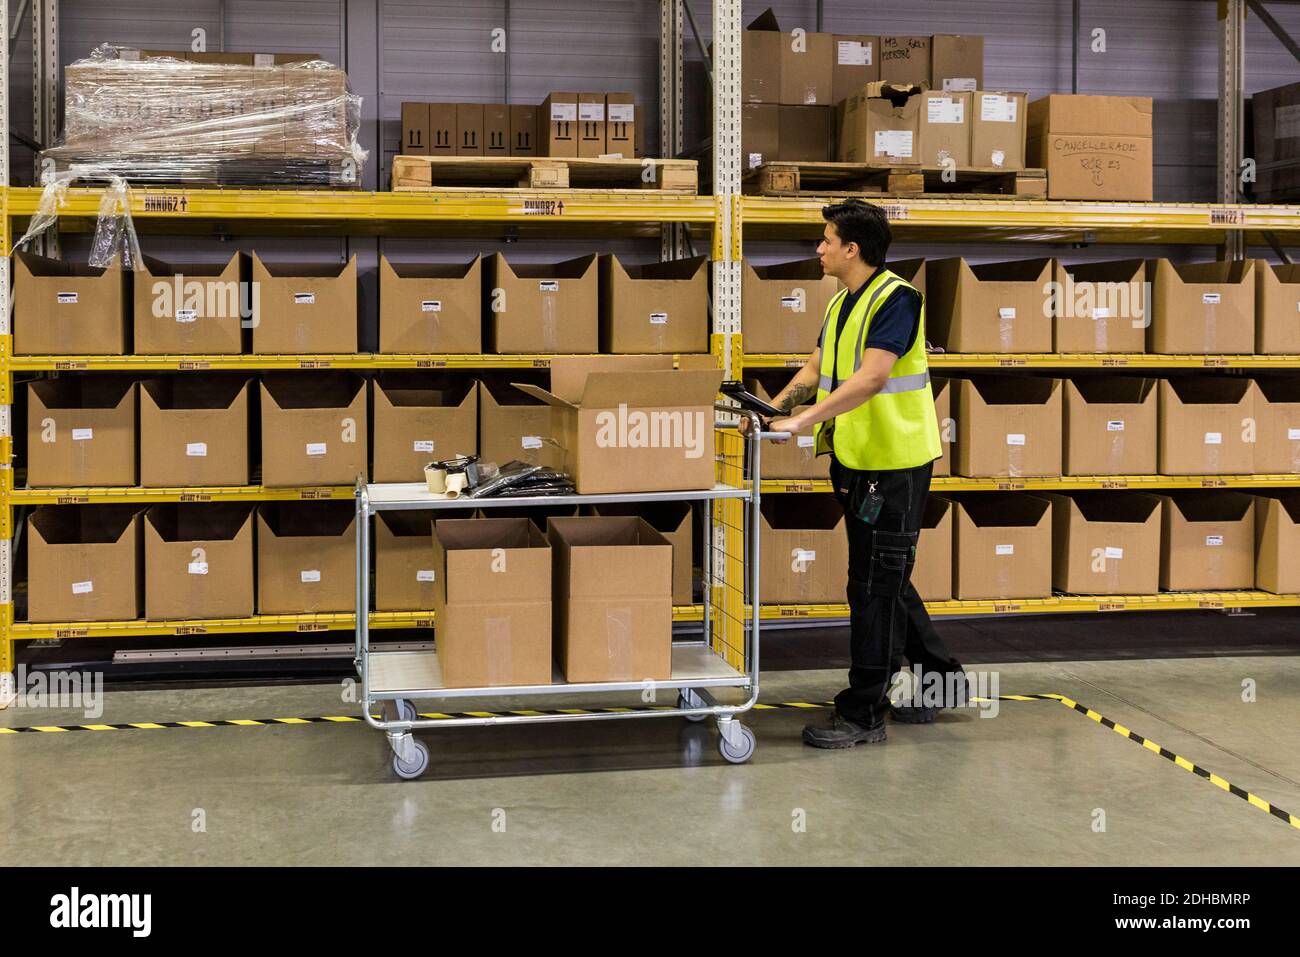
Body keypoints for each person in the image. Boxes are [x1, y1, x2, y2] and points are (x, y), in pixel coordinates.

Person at [764, 199, 967, 749]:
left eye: (827, 239)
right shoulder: (841, 304)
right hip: (858, 462)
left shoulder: (897, 299)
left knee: (874, 586)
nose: (819, 248)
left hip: (894, 465)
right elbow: (816, 367)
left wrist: (803, 421)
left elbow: (874, 377)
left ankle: (863, 715)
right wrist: (774, 409)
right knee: (886, 577)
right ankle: (941, 682)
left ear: (852, 248)